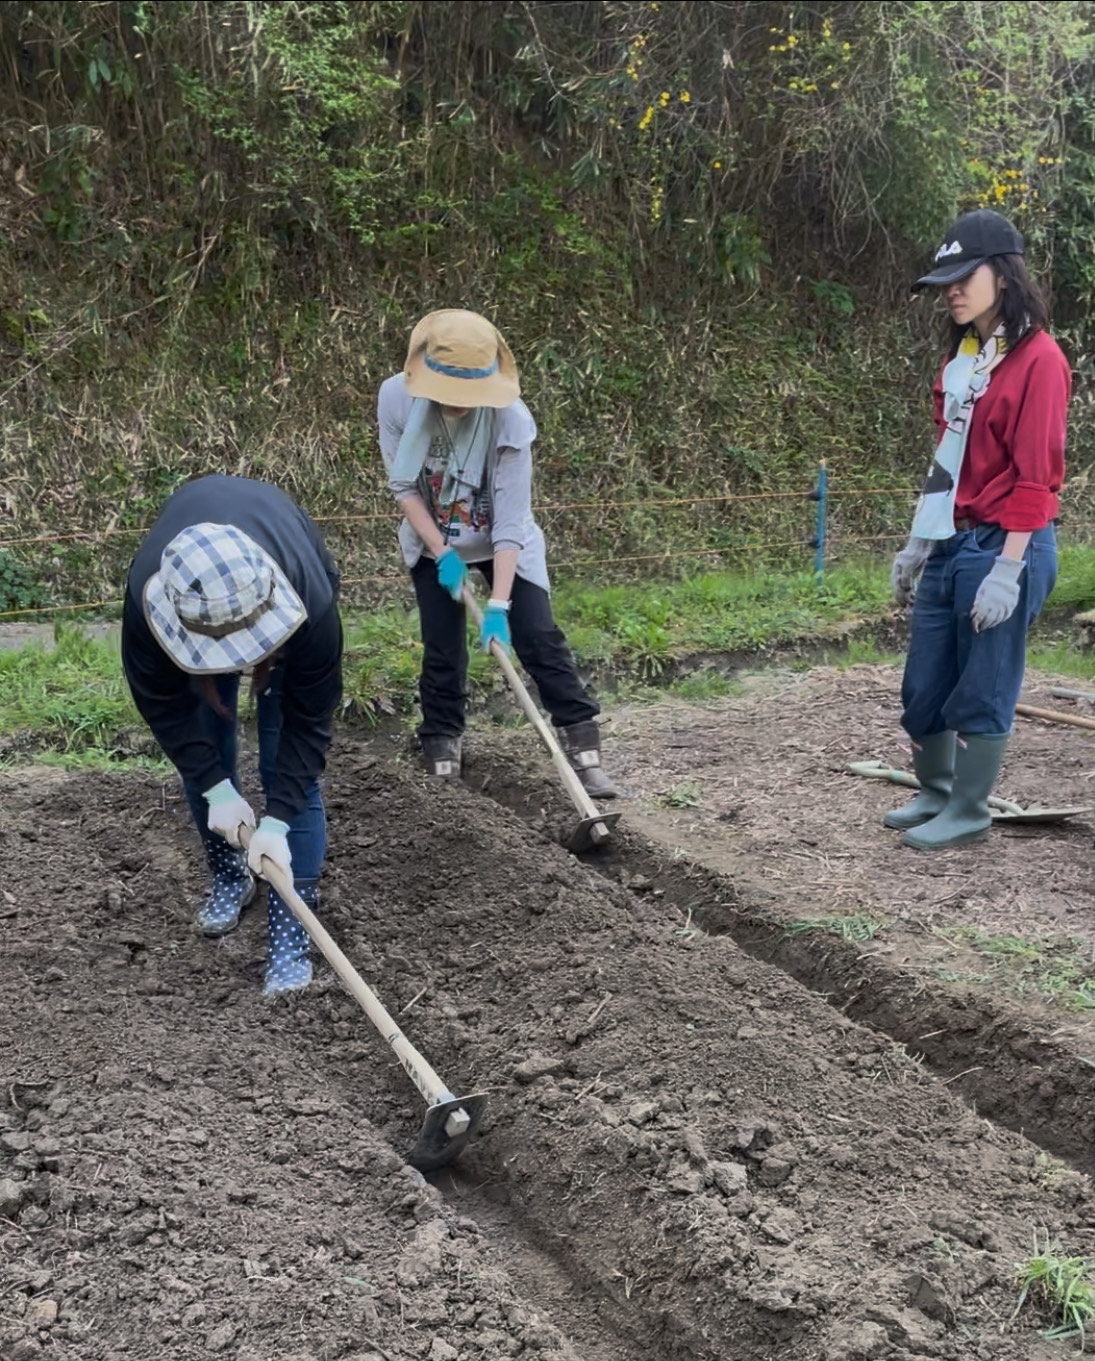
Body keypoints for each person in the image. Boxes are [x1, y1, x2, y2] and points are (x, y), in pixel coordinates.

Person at [377, 308, 616, 797]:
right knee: (442, 649)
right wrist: (441, 551)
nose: (461, 404)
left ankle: (584, 748)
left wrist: (499, 604)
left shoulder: (511, 420)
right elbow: (404, 485)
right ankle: (442, 743)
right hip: (432, 538)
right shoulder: (396, 399)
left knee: (537, 637)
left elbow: (509, 521)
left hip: (502, 541)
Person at [887, 208, 1069, 850]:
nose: (954, 290)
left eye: (967, 276)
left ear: (1005, 273)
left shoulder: (1038, 359)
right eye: (947, 281)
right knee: (924, 680)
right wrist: (919, 540)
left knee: (983, 680)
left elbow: (1035, 477)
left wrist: (1009, 569)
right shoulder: (966, 359)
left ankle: (969, 808)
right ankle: (934, 791)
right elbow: (950, 457)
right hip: (951, 537)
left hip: (1003, 543)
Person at [121, 475, 343, 994]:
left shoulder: (309, 603)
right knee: (208, 747)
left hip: (285, 589)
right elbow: (161, 704)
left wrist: (280, 819)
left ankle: (292, 924)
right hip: (193, 607)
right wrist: (216, 788)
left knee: (283, 761)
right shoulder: (150, 602)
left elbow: (309, 725)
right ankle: (229, 874)